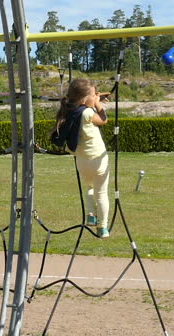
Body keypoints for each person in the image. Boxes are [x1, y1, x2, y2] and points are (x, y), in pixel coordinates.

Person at [53, 78, 111, 238]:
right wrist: (99, 104)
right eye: (93, 95)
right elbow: (104, 120)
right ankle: (103, 227)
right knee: (101, 193)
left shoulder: (71, 111)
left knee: (90, 187)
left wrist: (96, 97)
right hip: (98, 160)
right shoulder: (87, 112)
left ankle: (91, 216)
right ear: (85, 98)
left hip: (82, 161)